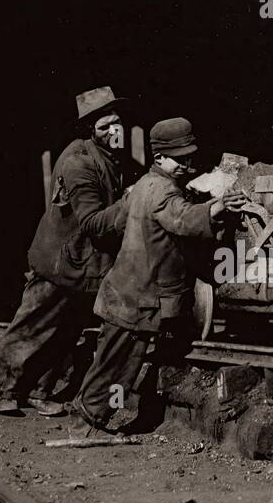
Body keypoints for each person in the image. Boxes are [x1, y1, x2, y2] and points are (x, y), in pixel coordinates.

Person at [72, 117, 245, 434]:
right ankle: (87, 425)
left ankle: (90, 420)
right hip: (137, 298)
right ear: (159, 158)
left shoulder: (142, 186)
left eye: (188, 157)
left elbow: (123, 222)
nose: (185, 164)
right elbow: (181, 219)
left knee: (114, 361)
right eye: (178, 159)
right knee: (117, 365)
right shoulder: (163, 191)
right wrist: (216, 208)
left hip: (126, 292)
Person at [0, 86, 130, 415]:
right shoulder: (79, 162)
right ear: (90, 128)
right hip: (59, 261)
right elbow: (92, 222)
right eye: (106, 126)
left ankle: (38, 391)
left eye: (117, 123)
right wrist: (131, 202)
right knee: (32, 328)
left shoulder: (111, 158)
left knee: (64, 334)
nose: (114, 130)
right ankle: (0, 391)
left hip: (84, 265)